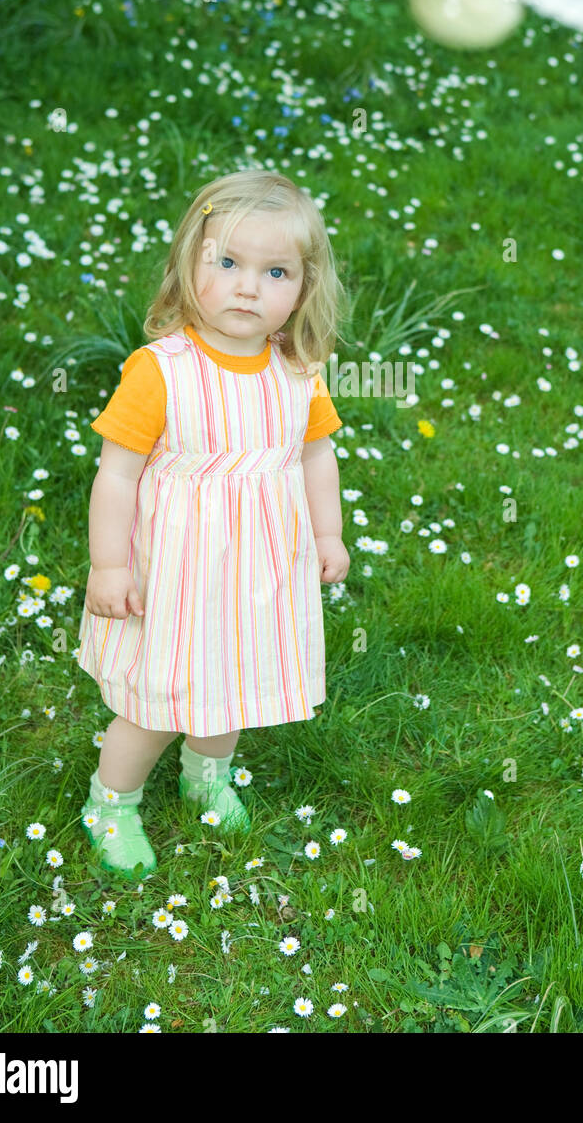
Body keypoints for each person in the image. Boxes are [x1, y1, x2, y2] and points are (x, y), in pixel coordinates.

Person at [76, 169, 351, 878]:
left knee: (235, 676)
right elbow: (117, 474)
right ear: (187, 265)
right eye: (226, 262)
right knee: (159, 697)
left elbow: (316, 458)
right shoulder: (159, 372)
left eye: (275, 271)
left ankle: (207, 772)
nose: (248, 286)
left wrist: (327, 536)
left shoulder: (297, 371)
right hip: (174, 575)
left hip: (258, 575)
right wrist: (111, 565)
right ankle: (113, 797)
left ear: (303, 287)